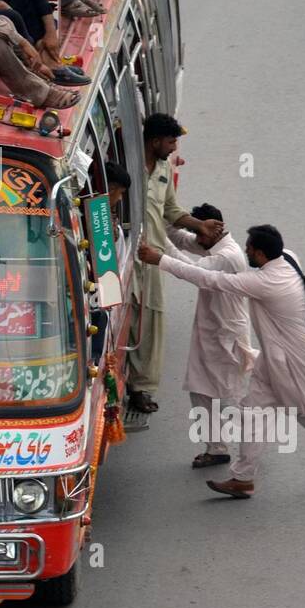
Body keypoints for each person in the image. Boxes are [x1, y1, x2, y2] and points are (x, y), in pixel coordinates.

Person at [139, 225, 305, 496]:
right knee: (253, 413)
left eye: (250, 249)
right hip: (276, 357)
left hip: (295, 359)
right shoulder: (288, 258)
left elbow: (210, 279)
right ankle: (243, 478)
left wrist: (160, 259)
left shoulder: (265, 282)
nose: (245, 252)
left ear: (261, 253)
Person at [127, 113, 224, 415]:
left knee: (151, 317)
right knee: (122, 318)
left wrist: (199, 226)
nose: (173, 149)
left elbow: (171, 210)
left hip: (153, 255)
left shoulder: (163, 168)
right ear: (155, 141)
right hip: (122, 255)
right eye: (170, 142)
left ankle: (142, 387)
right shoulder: (128, 165)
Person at [163, 204, 257, 468]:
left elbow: (196, 272)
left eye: (200, 232)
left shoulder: (228, 256)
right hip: (211, 334)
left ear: (215, 228)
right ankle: (216, 448)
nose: (197, 238)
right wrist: (167, 218)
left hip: (227, 336)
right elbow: (181, 238)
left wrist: (160, 253)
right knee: (200, 390)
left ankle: (255, 440)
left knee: (230, 396)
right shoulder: (211, 242)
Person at [105, 160, 131, 270]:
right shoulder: (108, 228)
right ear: (111, 189)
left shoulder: (113, 225)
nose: (120, 198)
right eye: (120, 193)